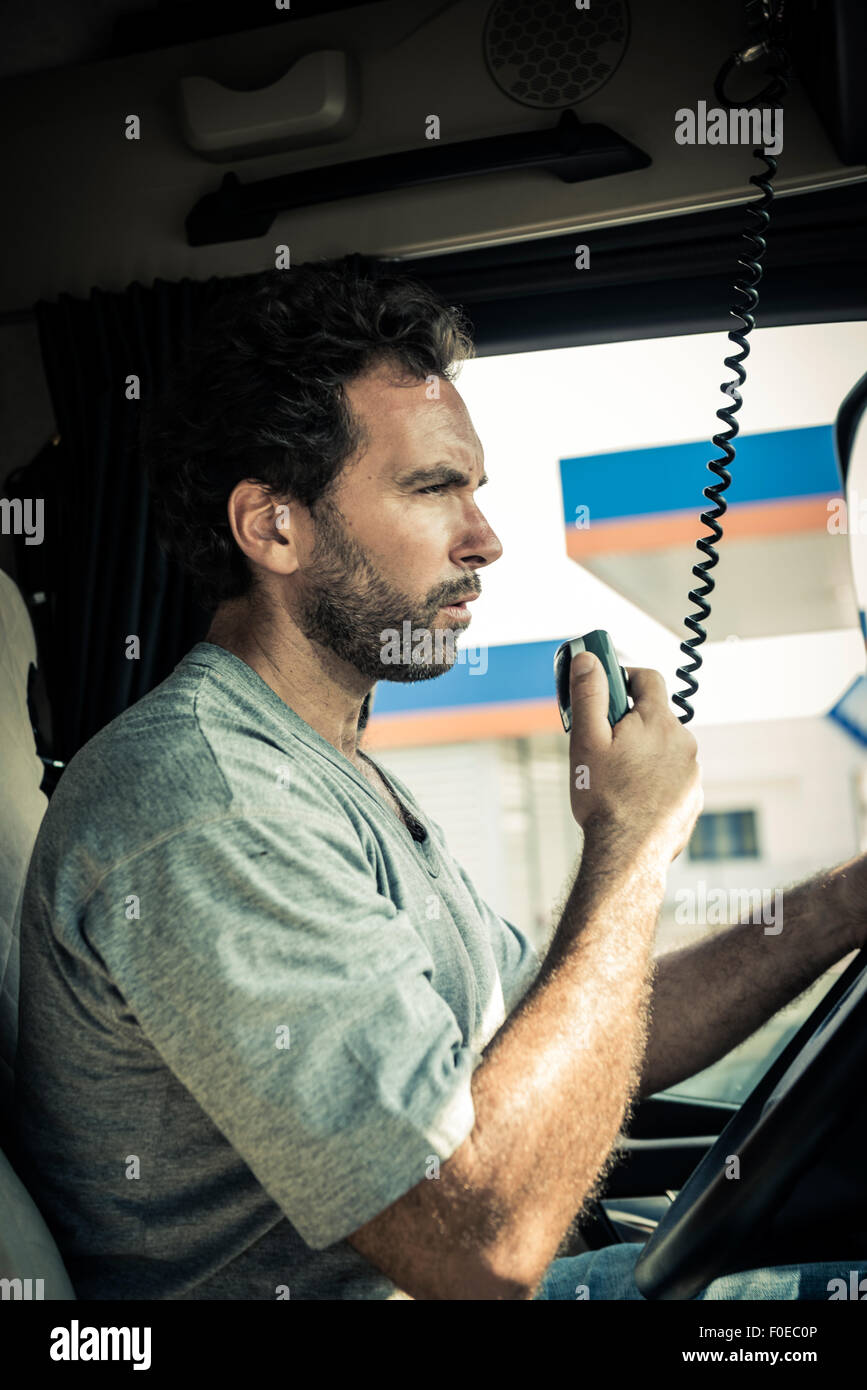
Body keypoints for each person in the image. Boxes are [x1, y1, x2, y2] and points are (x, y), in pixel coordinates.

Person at [12, 255, 867, 1300]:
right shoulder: (212, 801)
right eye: (432, 488)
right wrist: (630, 846)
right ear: (273, 525)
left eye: (477, 488)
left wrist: (844, 906)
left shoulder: (336, 775)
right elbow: (479, 1246)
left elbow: (570, 1029)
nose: (487, 537)